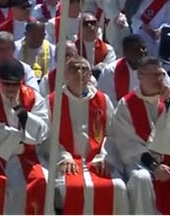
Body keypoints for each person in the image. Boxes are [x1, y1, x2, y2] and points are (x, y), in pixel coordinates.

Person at [108, 56, 170, 214]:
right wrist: (155, 167)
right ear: (140, 76)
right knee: (141, 179)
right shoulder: (127, 104)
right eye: (154, 75)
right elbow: (127, 144)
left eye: (161, 74)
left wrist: (169, 102)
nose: (159, 79)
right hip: (140, 160)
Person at [49, 56, 128, 214]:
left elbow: (112, 134)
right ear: (64, 74)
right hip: (67, 162)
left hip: (97, 160)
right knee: (69, 187)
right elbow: (47, 137)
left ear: (90, 74)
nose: (80, 73)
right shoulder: (54, 101)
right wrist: (63, 156)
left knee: (118, 187)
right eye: (74, 69)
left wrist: (104, 155)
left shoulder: (102, 100)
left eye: (84, 69)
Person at [0, 59, 49, 215]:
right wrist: (22, 139)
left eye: (14, 85)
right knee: (2, 184)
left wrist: (23, 114)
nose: (10, 88)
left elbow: (42, 130)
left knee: (40, 181)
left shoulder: (33, 98)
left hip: (26, 156)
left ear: (21, 82)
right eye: (6, 84)